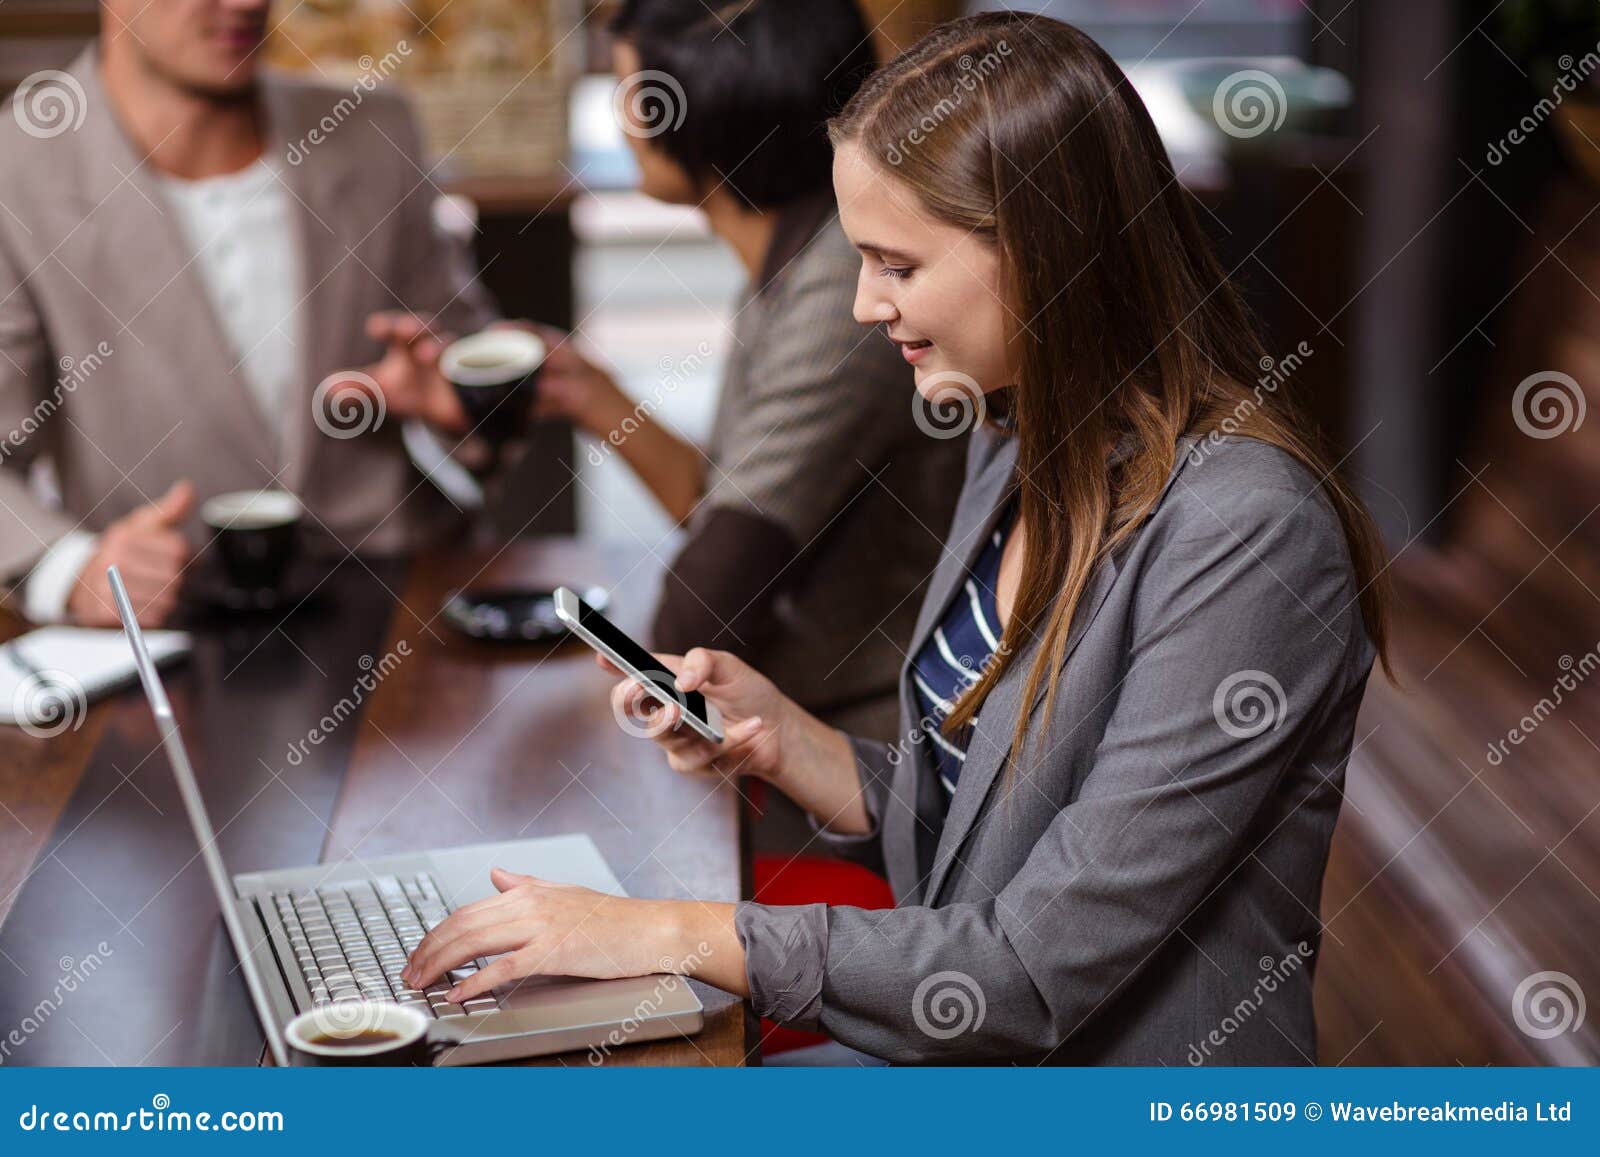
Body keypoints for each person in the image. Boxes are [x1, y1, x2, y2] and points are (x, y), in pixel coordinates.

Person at [401, 13, 1389, 1065]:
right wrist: (787, 740)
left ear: (1043, 250)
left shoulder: (1246, 532)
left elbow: (1027, 970)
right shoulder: (1012, 438)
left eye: (896, 264)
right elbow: (980, 831)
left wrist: (664, 931)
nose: (865, 305)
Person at [528, 0, 965, 740]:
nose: (620, 117)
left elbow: (702, 608)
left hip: (868, 739)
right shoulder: (800, 252)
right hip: (810, 712)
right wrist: (587, 393)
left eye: (631, 90)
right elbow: (733, 506)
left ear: (705, 111)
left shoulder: (839, 298)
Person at [0, 0, 496, 628]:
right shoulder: (16, 168)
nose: (246, 4)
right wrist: (72, 569)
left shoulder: (374, 128)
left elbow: (477, 373)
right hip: (172, 623)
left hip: (406, 601)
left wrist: (467, 401)